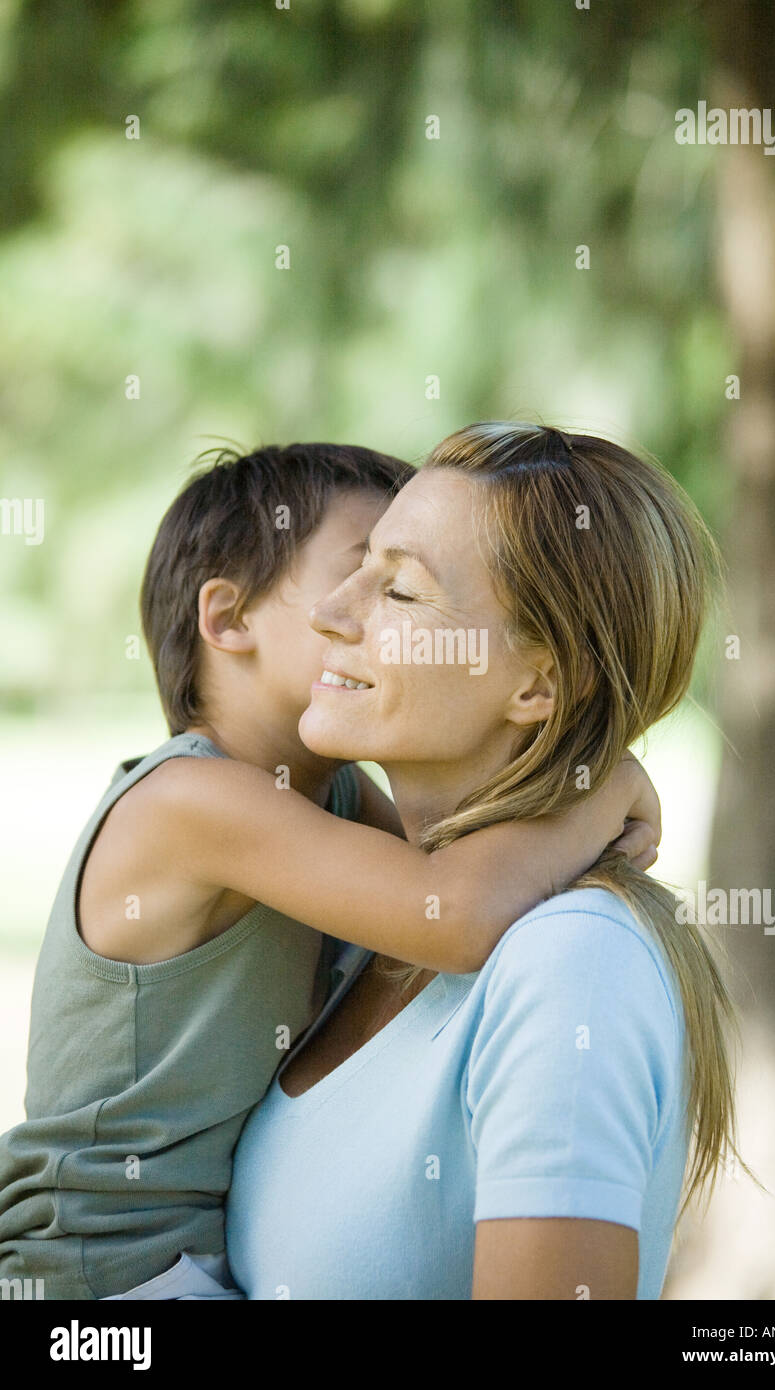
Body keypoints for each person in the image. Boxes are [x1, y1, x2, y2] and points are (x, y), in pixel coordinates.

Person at [0, 441, 658, 1302]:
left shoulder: (332, 796)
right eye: (356, 570)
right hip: (98, 1278)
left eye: (398, 589)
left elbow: (454, 868)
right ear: (228, 620)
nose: (350, 615)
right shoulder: (191, 803)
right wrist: (597, 788)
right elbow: (452, 911)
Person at [225, 422, 743, 1301]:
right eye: (360, 565)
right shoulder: (379, 915)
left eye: (402, 593)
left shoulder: (572, 960)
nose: (330, 612)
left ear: (537, 684)